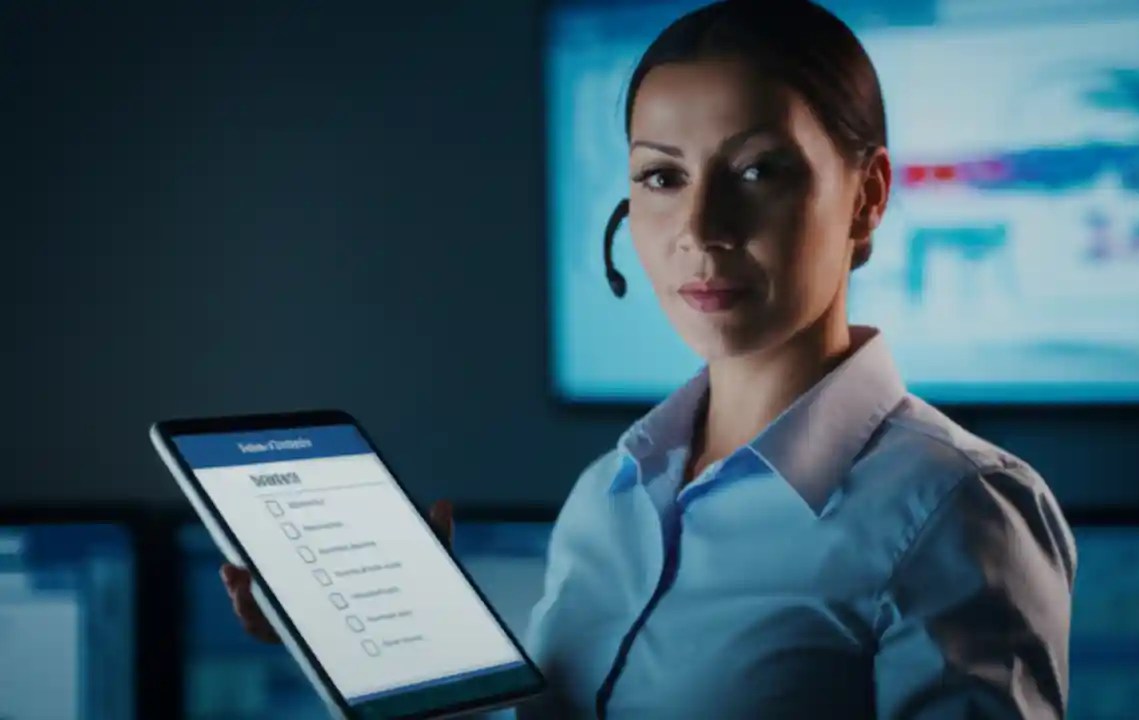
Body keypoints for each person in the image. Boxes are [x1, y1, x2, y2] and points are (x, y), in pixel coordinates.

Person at [221, 1, 1077, 717]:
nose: (701, 230)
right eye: (662, 178)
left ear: (868, 198)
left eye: (758, 171)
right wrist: (393, 647)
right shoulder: (609, 495)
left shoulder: (960, 510)